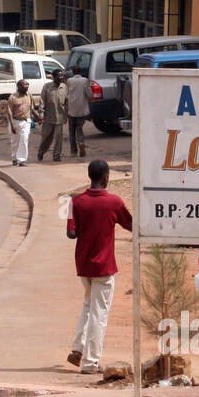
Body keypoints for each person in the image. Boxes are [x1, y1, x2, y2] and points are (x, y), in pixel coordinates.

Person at [66, 159, 133, 374]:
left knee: (88, 305)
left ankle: (78, 347)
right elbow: (131, 224)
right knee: (99, 313)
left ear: (89, 176)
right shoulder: (113, 202)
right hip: (104, 266)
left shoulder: (76, 202)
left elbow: (71, 233)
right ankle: (90, 362)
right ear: (106, 178)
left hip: (83, 265)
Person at [37, 69, 68, 162]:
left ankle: (57, 156)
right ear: (54, 77)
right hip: (48, 117)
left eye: (62, 76)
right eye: (59, 76)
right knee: (47, 137)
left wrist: (67, 114)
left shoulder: (64, 87)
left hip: (60, 117)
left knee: (59, 138)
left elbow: (67, 102)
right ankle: (41, 152)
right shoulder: (47, 87)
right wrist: (41, 114)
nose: (61, 78)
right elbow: (42, 101)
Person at [7, 79, 34, 166]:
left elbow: (32, 108)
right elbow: (9, 112)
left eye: (27, 85)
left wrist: (37, 116)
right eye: (25, 85)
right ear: (19, 87)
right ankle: (14, 158)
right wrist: (12, 125)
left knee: (24, 139)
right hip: (15, 121)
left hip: (25, 122)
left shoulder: (29, 95)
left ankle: (22, 160)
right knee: (15, 141)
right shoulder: (12, 97)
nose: (27, 86)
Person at [65, 69, 90, 158]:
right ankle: (81, 142)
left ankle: (73, 152)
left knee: (71, 131)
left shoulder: (69, 81)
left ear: (73, 72)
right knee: (79, 128)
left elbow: (66, 94)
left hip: (71, 109)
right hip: (82, 109)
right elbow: (89, 94)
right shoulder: (85, 80)